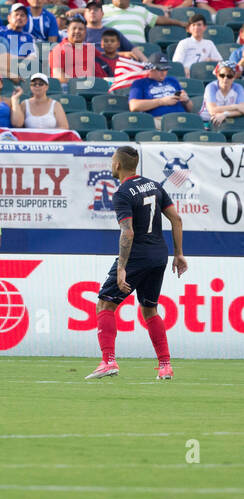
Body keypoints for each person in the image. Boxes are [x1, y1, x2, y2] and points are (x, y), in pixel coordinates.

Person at [85, 145, 186, 381]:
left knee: (105, 304)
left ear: (118, 165)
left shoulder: (122, 193)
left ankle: (108, 361)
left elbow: (128, 232)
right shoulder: (155, 185)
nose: (111, 165)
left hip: (137, 256)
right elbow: (177, 219)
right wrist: (179, 254)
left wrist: (122, 267)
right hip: (159, 255)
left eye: (112, 161)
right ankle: (165, 366)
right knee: (150, 308)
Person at [104, 0, 182, 44]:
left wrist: (180, 23)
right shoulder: (103, 10)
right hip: (113, 51)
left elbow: (159, 19)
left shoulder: (140, 10)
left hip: (139, 51)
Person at [128, 54, 193, 123]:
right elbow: (134, 106)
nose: (163, 73)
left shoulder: (173, 80)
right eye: (160, 69)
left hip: (182, 118)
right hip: (159, 120)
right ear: (151, 69)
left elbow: (190, 108)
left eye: (166, 69)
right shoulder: (140, 83)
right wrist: (161, 101)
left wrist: (186, 100)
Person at [49, 16, 100, 82]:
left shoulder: (90, 48)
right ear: (67, 31)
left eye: (80, 29)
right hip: (69, 86)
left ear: (85, 33)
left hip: (93, 84)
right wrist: (79, 84)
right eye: (74, 28)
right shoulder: (58, 50)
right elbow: (58, 75)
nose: (77, 31)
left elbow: (104, 59)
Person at [201, 61, 244, 127]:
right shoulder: (211, 87)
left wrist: (225, 114)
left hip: (228, 123)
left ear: (234, 77)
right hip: (206, 122)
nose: (225, 79)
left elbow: (243, 109)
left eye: (229, 76)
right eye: (222, 75)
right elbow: (212, 110)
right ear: (217, 75)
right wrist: (235, 106)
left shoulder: (238, 88)